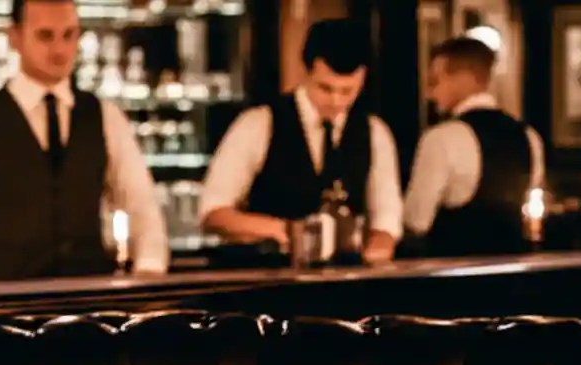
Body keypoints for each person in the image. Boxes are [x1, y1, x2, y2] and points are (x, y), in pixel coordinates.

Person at [0, 0, 168, 282]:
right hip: (9, 312)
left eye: (69, 35)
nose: (59, 49)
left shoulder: (105, 116)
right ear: (14, 37)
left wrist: (148, 275)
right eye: (45, 36)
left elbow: (144, 208)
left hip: (93, 310)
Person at [198, 19, 403, 264]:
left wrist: (378, 248)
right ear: (305, 72)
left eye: (348, 91)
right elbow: (213, 213)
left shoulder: (374, 132)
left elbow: (387, 219)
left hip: (344, 287)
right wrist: (286, 231)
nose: (336, 102)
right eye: (325, 88)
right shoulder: (259, 124)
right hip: (268, 282)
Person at [402, 36, 545, 257]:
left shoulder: (442, 138)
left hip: (454, 280)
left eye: (435, 81)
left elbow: (415, 222)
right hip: (515, 280)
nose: (430, 94)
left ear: (463, 79)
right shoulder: (529, 137)